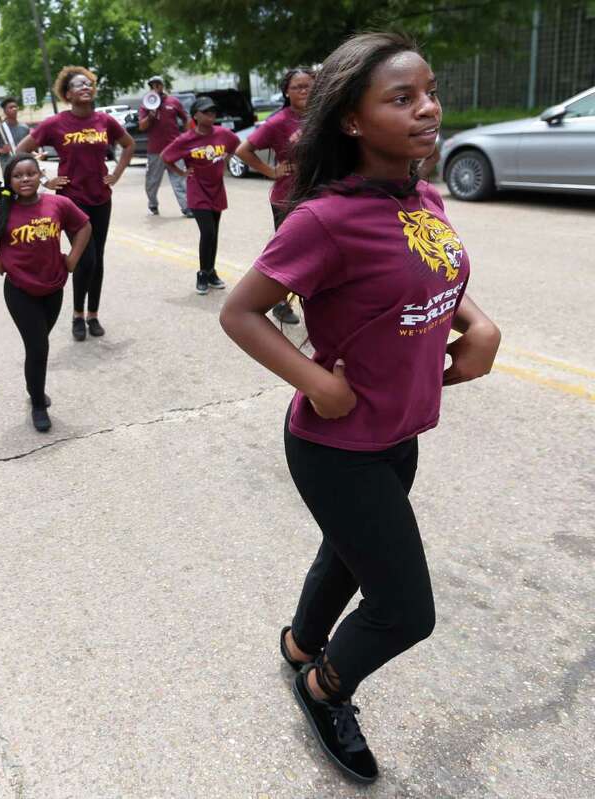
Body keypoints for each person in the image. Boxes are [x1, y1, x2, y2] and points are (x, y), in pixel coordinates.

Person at [219, 32, 501, 784]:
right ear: (351, 120)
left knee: (346, 554)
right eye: (401, 98)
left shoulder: (422, 195)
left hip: (399, 431)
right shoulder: (324, 220)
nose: (428, 108)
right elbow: (241, 312)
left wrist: (481, 322)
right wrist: (317, 382)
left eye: (430, 91)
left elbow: (436, 268)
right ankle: (323, 686)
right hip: (338, 444)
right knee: (406, 610)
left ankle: (299, 646)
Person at [0, 154, 92, 432]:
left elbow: (84, 226)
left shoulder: (58, 204)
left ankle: (33, 385)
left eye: (30, 174)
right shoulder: (2, 209)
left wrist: (72, 259)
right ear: (10, 181)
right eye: (18, 175)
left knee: (38, 345)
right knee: (38, 347)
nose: (25, 179)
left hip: (54, 287)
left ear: (40, 176)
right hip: (20, 290)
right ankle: (38, 402)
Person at [16, 66, 134, 341]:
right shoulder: (55, 123)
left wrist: (116, 173)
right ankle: (77, 315)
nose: (85, 88)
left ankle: (93, 314)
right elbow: (22, 150)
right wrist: (44, 179)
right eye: (79, 85)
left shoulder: (104, 121)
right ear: (67, 94)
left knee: (98, 259)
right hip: (72, 200)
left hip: (101, 198)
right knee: (86, 257)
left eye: (88, 84)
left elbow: (128, 145)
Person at [235, 67, 316, 327]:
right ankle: (279, 302)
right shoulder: (279, 121)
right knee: (290, 255)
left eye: (308, 85)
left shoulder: (322, 116)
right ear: (286, 92)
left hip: (320, 196)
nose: (304, 91)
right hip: (288, 198)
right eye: (297, 87)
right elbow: (243, 150)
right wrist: (271, 171)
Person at [161, 97, 240, 295]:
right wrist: (182, 173)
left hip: (217, 190)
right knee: (208, 233)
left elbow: (236, 147)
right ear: (196, 115)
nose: (211, 115)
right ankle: (202, 274)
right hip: (197, 191)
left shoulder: (223, 134)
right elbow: (166, 157)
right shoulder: (186, 139)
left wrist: (225, 161)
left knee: (214, 234)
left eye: (213, 111)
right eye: (206, 112)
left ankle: (211, 272)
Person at [139, 75, 191, 217]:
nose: (155, 87)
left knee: (179, 178)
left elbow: (186, 118)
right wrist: (150, 115)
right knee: (152, 181)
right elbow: (142, 126)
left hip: (173, 149)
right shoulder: (146, 104)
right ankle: (153, 204)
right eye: (152, 85)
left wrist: (185, 137)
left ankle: (186, 207)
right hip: (155, 151)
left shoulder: (173, 101)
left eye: (158, 84)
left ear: (162, 86)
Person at [0, 98, 32, 174]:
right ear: (5, 111)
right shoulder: (0, 129)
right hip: (8, 164)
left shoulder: (25, 127)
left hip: (24, 163)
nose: (14, 109)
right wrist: (1, 150)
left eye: (15, 107)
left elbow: (29, 146)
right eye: (11, 107)